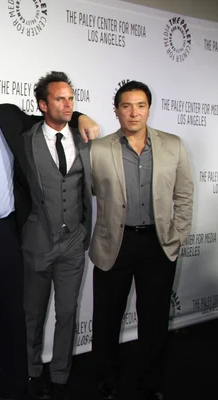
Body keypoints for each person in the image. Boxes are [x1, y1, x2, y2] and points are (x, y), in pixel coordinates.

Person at [0, 63, 98, 400]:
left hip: (4, 235)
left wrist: (81, 115)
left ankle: (16, 385)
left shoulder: (10, 117)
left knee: (13, 316)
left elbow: (55, 115)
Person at [89, 81, 193, 400]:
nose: (134, 113)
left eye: (140, 106)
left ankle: (150, 383)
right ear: (117, 110)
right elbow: (88, 193)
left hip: (156, 244)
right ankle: (107, 378)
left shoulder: (173, 145)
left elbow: (184, 195)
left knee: (154, 320)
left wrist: (175, 238)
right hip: (114, 245)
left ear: (149, 108)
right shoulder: (98, 149)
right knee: (107, 319)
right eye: (127, 106)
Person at [20, 72, 92, 400]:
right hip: (37, 242)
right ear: (42, 104)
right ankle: (32, 371)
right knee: (32, 313)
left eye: (71, 99)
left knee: (67, 312)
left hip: (74, 242)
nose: (68, 105)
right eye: (60, 99)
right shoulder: (24, 138)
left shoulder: (84, 138)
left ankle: (60, 374)